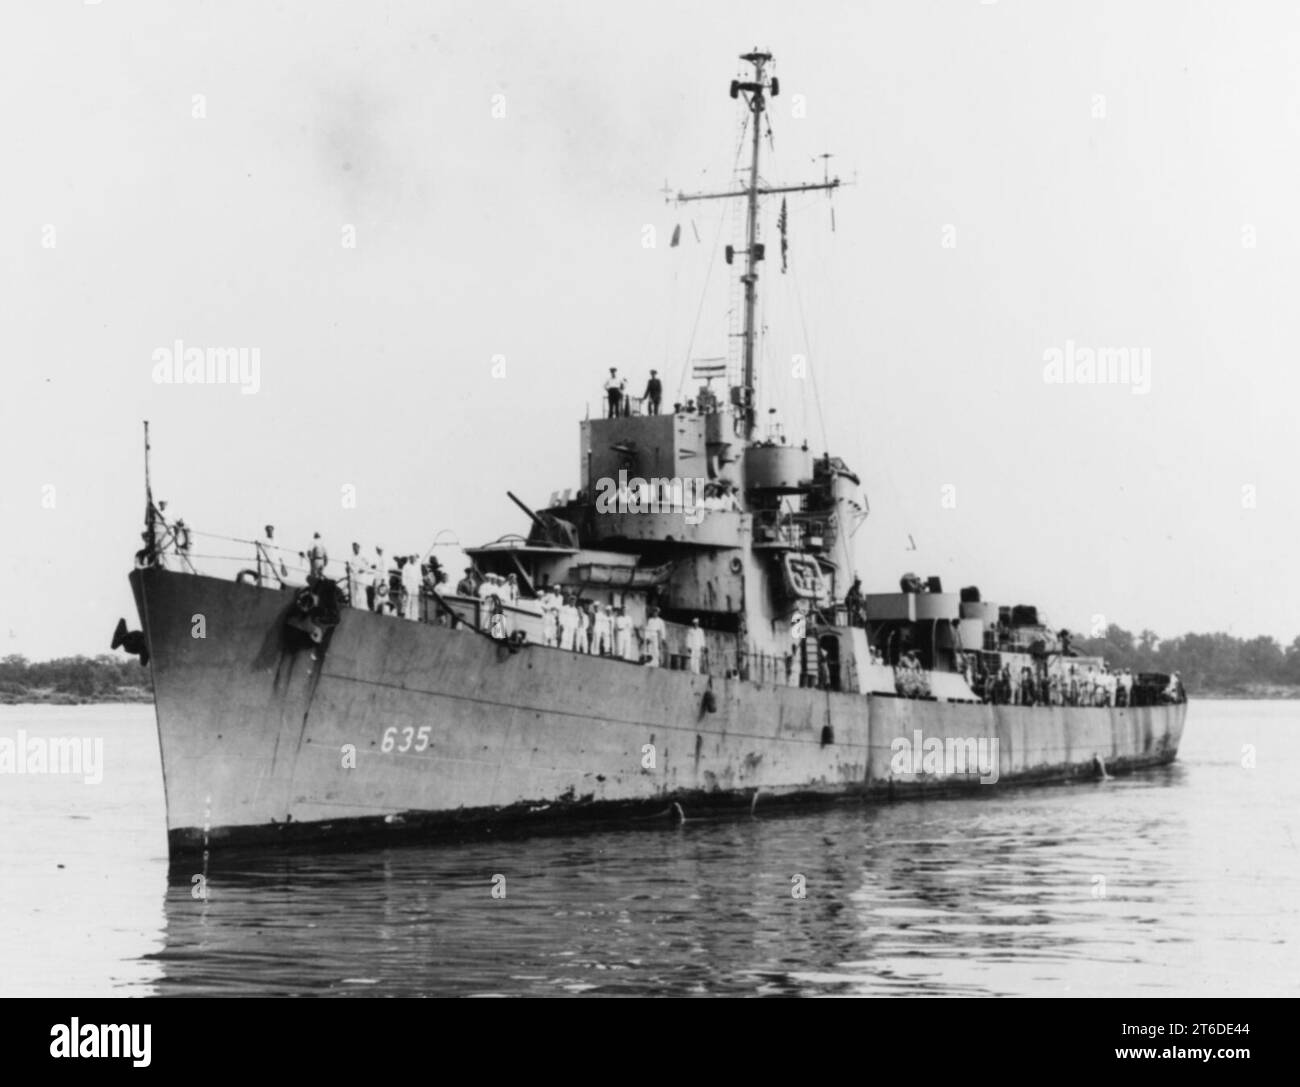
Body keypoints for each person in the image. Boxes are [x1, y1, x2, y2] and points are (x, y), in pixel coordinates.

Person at [346, 542, 370, 609]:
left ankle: (363, 608)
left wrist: (363, 569)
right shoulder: (351, 556)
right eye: (353, 547)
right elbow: (349, 565)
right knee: (352, 592)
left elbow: (368, 565)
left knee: (361, 592)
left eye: (356, 547)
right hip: (353, 575)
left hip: (361, 576)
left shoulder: (363, 556)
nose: (354, 549)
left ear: (359, 547)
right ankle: (353, 606)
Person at [401, 553, 422, 620]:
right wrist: (404, 586)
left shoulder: (418, 566)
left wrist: (421, 585)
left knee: (415, 602)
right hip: (408, 586)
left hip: (415, 586)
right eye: (412, 557)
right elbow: (403, 577)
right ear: (409, 558)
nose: (413, 559)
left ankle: (414, 617)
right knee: (407, 601)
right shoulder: (405, 566)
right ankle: (407, 616)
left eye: (414, 557)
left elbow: (420, 576)